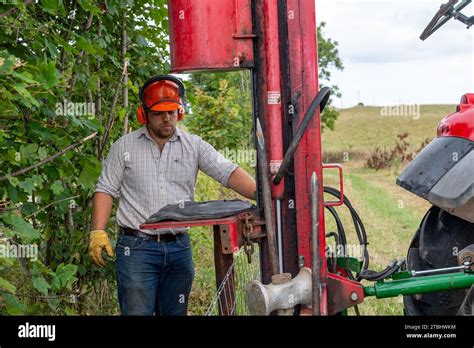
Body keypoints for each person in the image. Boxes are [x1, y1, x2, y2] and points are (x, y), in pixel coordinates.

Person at [88, 75, 256, 315]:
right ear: (143, 115)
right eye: (158, 113)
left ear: (180, 112)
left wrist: (262, 195)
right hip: (136, 248)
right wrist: (98, 231)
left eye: (172, 112)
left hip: (178, 248)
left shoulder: (194, 146)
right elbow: (105, 189)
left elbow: (227, 172)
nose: (167, 119)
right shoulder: (124, 147)